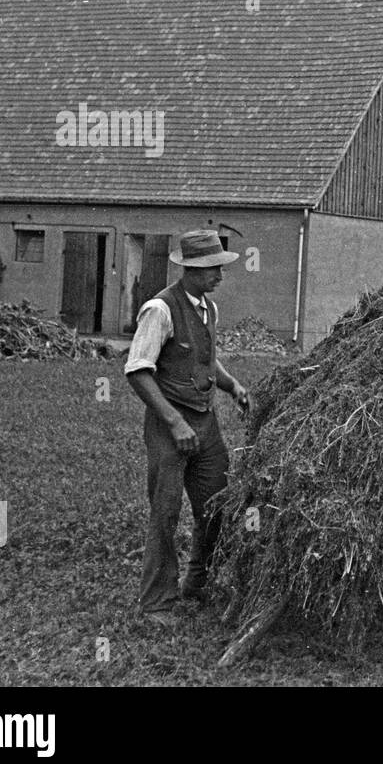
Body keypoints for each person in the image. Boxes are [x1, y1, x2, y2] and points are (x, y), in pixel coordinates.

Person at [124, 230, 251, 627]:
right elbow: (137, 372)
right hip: (170, 425)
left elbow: (204, 359)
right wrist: (175, 422)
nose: (220, 275)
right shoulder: (159, 310)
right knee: (165, 513)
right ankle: (156, 604)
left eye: (220, 268)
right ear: (191, 269)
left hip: (205, 421)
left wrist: (232, 386)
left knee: (216, 505)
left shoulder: (209, 310)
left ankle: (196, 580)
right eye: (213, 269)